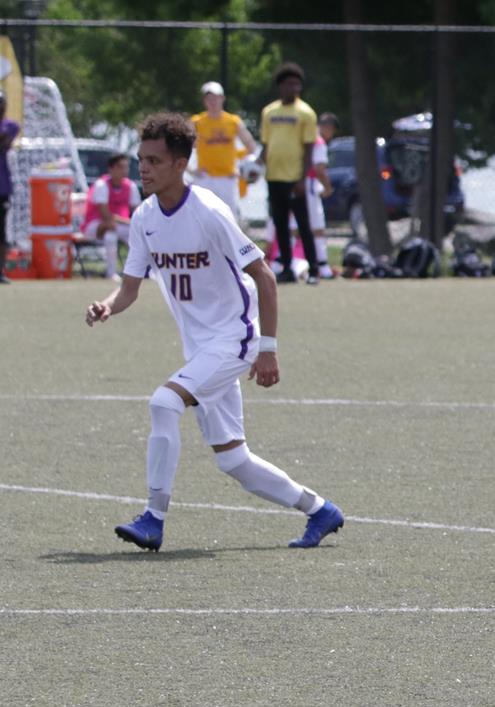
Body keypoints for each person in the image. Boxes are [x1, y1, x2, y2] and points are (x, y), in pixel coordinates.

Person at [83, 111, 344, 553]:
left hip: (235, 339)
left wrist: (268, 349)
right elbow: (130, 287)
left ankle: (153, 518)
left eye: (154, 161)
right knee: (234, 460)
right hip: (201, 348)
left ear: (180, 164)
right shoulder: (145, 216)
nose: (143, 168)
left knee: (164, 402)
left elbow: (264, 275)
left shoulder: (208, 211)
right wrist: (107, 306)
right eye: (140, 159)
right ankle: (320, 510)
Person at [256, 63, 321, 284]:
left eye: (297, 84)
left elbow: (309, 148)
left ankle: (313, 270)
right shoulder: (269, 112)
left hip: (295, 179)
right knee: (281, 226)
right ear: (280, 86)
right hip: (274, 177)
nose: (294, 88)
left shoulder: (306, 113)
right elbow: (266, 145)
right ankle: (287, 269)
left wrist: (303, 178)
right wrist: (256, 167)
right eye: (290, 84)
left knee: (303, 225)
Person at [190, 81, 256, 221]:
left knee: (228, 218)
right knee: (202, 218)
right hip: (205, 177)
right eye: (209, 98)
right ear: (204, 101)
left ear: (222, 99)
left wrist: (239, 162)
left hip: (227, 177)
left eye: (216, 97)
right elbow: (180, 148)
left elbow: (250, 145)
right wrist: (191, 170)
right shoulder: (197, 121)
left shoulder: (233, 121)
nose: (212, 102)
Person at [82, 153, 141, 277]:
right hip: (95, 225)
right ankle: (111, 273)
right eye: (120, 167)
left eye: (126, 167)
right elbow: (106, 216)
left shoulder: (131, 186)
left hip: (118, 225)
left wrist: (136, 225)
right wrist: (130, 222)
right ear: (111, 169)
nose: (124, 171)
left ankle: (140, 272)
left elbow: (137, 212)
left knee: (138, 235)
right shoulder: (101, 185)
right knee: (110, 235)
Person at [304, 112, 337, 280]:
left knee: (296, 227)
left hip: (297, 183)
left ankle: (285, 262)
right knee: (317, 227)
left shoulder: (307, 137)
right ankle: (322, 265)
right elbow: (319, 170)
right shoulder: (319, 142)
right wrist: (328, 188)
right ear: (328, 128)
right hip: (309, 184)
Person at [0, 108, 20, 283]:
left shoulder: (10, 126)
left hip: (2, 188)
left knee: (1, 233)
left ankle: (0, 271)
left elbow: (3, 142)